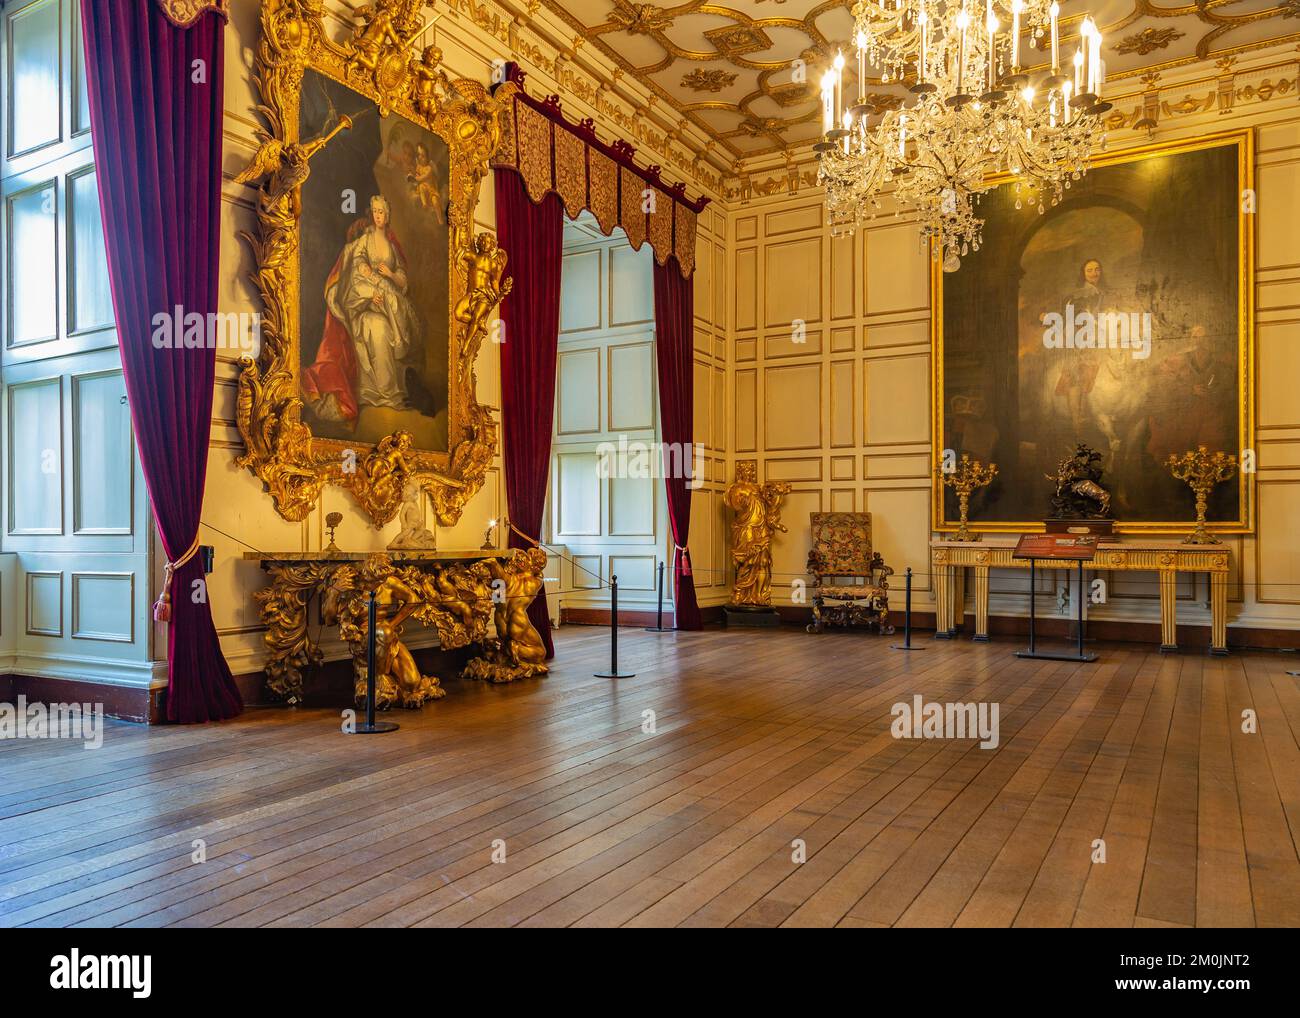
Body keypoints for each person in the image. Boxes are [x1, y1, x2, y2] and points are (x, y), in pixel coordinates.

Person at [302, 194, 421, 423]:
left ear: (387, 216)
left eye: (382, 212)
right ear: (371, 213)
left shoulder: (392, 247)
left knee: (386, 325)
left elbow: (403, 280)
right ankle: (373, 394)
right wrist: (370, 295)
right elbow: (354, 274)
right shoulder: (362, 243)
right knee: (374, 328)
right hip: (365, 306)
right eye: (375, 211)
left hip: (388, 297)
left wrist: (391, 276)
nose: (378, 216)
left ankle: (392, 394)